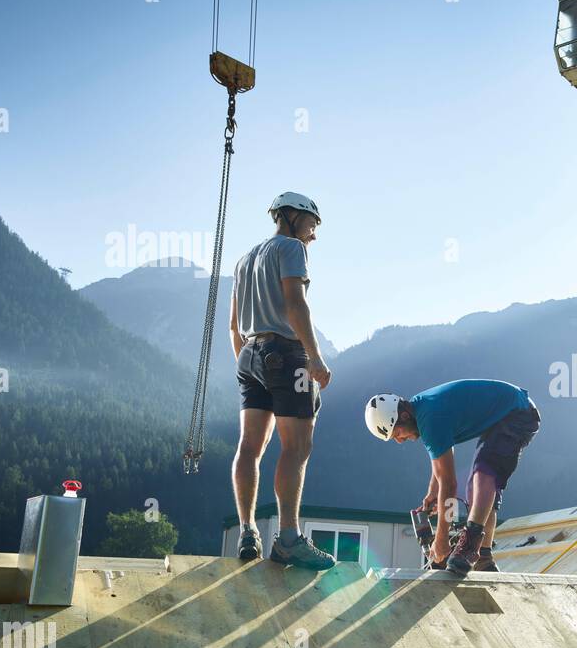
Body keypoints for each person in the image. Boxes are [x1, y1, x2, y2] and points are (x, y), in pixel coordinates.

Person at [229, 192, 335, 570]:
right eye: (312, 224)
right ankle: (288, 538)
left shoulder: (244, 260)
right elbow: (296, 304)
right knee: (297, 447)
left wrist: (248, 364)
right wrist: (315, 358)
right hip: (287, 356)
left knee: (249, 446)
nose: (313, 235)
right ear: (291, 217)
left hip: (249, 354)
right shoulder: (290, 248)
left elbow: (233, 324)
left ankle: (247, 530)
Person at [364, 380, 540, 575]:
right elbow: (442, 463)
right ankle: (483, 558)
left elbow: (449, 485)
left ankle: (470, 546)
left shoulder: (430, 419)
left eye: (397, 432)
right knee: (478, 488)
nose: (399, 440)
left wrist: (441, 541)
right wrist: (433, 490)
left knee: (484, 473)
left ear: (404, 416)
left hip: (518, 414)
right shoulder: (422, 410)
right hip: (506, 414)